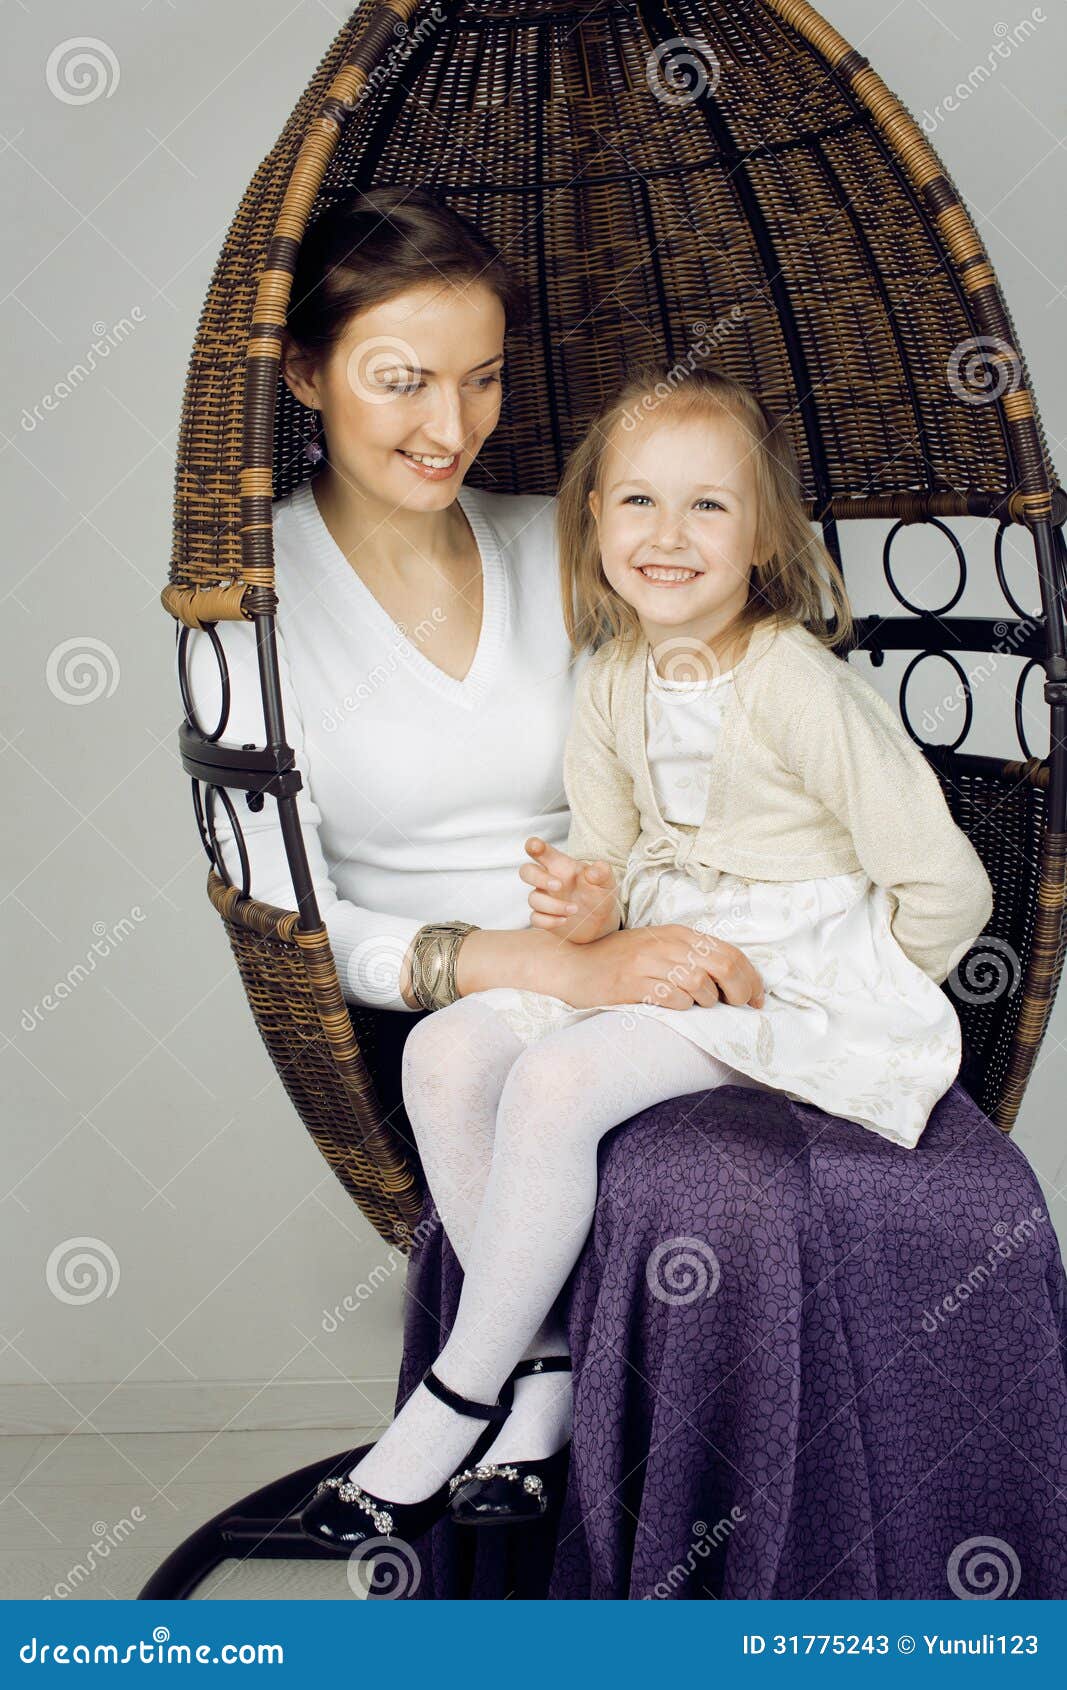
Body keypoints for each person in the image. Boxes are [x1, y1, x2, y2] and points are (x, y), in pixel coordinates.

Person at [302, 362, 994, 1550]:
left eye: (707, 507)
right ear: (591, 521)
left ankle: (450, 1405)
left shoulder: (789, 682)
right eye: (636, 502)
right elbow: (610, 857)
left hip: (783, 978)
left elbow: (947, 886)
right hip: (659, 949)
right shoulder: (614, 673)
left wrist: (832, 997)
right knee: (447, 1052)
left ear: (764, 536)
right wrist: (583, 899)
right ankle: (547, 1374)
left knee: (561, 1080)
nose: (666, 537)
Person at [177, 193, 765, 1537]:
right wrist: (527, 959)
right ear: (305, 371)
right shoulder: (246, 604)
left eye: (483, 376)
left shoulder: (558, 543)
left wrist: (635, 927)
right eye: (402, 383)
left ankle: (504, 1406)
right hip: (459, 1004)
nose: (451, 426)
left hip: (647, 934)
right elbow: (289, 922)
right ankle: (517, 1389)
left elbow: (695, 751)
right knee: (478, 1056)